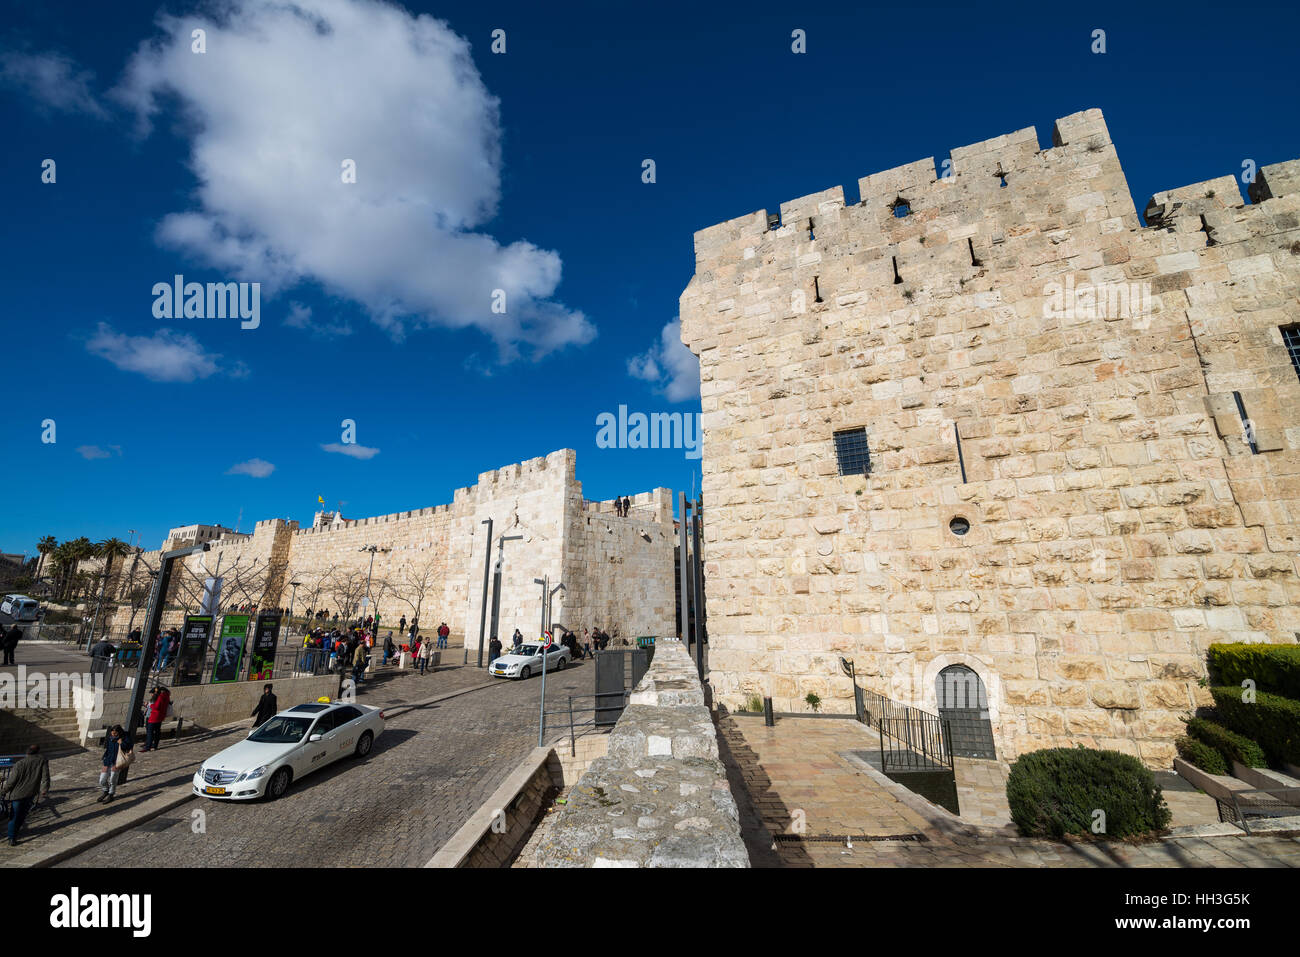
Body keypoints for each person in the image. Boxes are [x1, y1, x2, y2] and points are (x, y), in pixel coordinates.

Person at [1, 744, 50, 846]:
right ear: (38, 752)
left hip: (17, 794)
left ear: (27, 753)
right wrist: (44, 789)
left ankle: (11, 837)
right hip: (31, 793)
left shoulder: (19, 764)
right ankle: (16, 832)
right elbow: (46, 777)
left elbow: (11, 782)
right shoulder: (42, 761)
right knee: (22, 815)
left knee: (14, 816)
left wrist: (3, 792)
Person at [97, 726, 131, 803]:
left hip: (117, 762)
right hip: (108, 761)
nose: (113, 734)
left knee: (113, 779)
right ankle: (106, 791)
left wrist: (122, 743)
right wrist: (105, 758)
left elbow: (129, 747)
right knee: (102, 780)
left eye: (115, 733)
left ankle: (111, 794)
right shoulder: (110, 738)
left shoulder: (124, 738)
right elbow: (108, 749)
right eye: (112, 733)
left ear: (119, 732)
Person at [142, 686, 171, 751]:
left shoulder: (160, 697)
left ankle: (148, 746)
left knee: (150, 732)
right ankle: (155, 746)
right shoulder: (166, 696)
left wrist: (148, 705)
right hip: (160, 716)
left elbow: (156, 707)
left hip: (154, 716)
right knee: (157, 731)